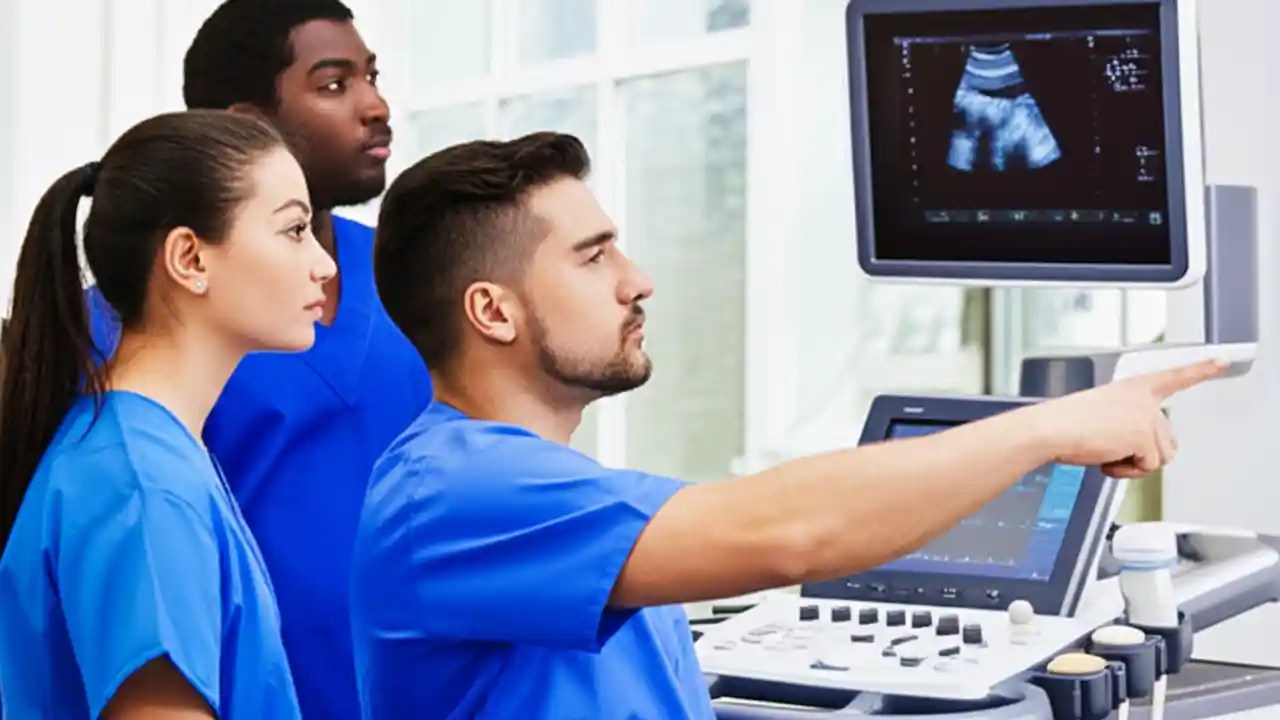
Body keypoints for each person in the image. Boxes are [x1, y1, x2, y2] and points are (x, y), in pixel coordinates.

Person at [349, 131, 1226, 718]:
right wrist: (1049, 431)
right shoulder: (459, 490)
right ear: (492, 312)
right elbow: (794, 532)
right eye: (593, 257)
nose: (638, 278)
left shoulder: (542, 484)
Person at [86, 2, 431, 718]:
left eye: (372, 76)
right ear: (246, 123)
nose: (376, 106)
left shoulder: (417, 275)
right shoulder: (126, 334)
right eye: (333, 85)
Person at [0, 110, 334, 718]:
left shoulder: (148, 455)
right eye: (294, 230)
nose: (324, 265)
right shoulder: (141, 482)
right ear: (190, 259)